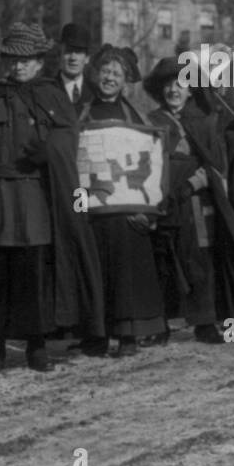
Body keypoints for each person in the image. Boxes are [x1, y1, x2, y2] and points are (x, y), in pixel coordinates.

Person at [144, 56, 234, 342]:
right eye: (167, 86)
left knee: (200, 262)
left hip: (195, 202)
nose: (173, 91)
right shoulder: (151, 121)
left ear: (191, 89)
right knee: (163, 261)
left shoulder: (204, 122)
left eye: (180, 84)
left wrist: (193, 184)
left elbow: (216, 163)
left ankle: (205, 323)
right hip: (163, 200)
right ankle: (160, 325)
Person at [0, 23, 63, 373]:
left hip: (34, 194)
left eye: (26, 60)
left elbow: (70, 139)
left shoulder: (51, 95)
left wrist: (51, 151)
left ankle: (37, 346)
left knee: (34, 273)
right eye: (13, 60)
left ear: (39, 62)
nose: (18, 67)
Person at [81, 45, 167, 354]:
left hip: (127, 211)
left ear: (125, 80)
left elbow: (151, 160)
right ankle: (97, 336)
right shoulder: (82, 112)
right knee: (95, 272)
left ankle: (129, 336)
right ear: (96, 74)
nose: (110, 78)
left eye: (117, 74)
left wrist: (147, 210)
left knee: (127, 273)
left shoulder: (136, 116)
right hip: (93, 211)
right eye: (106, 72)